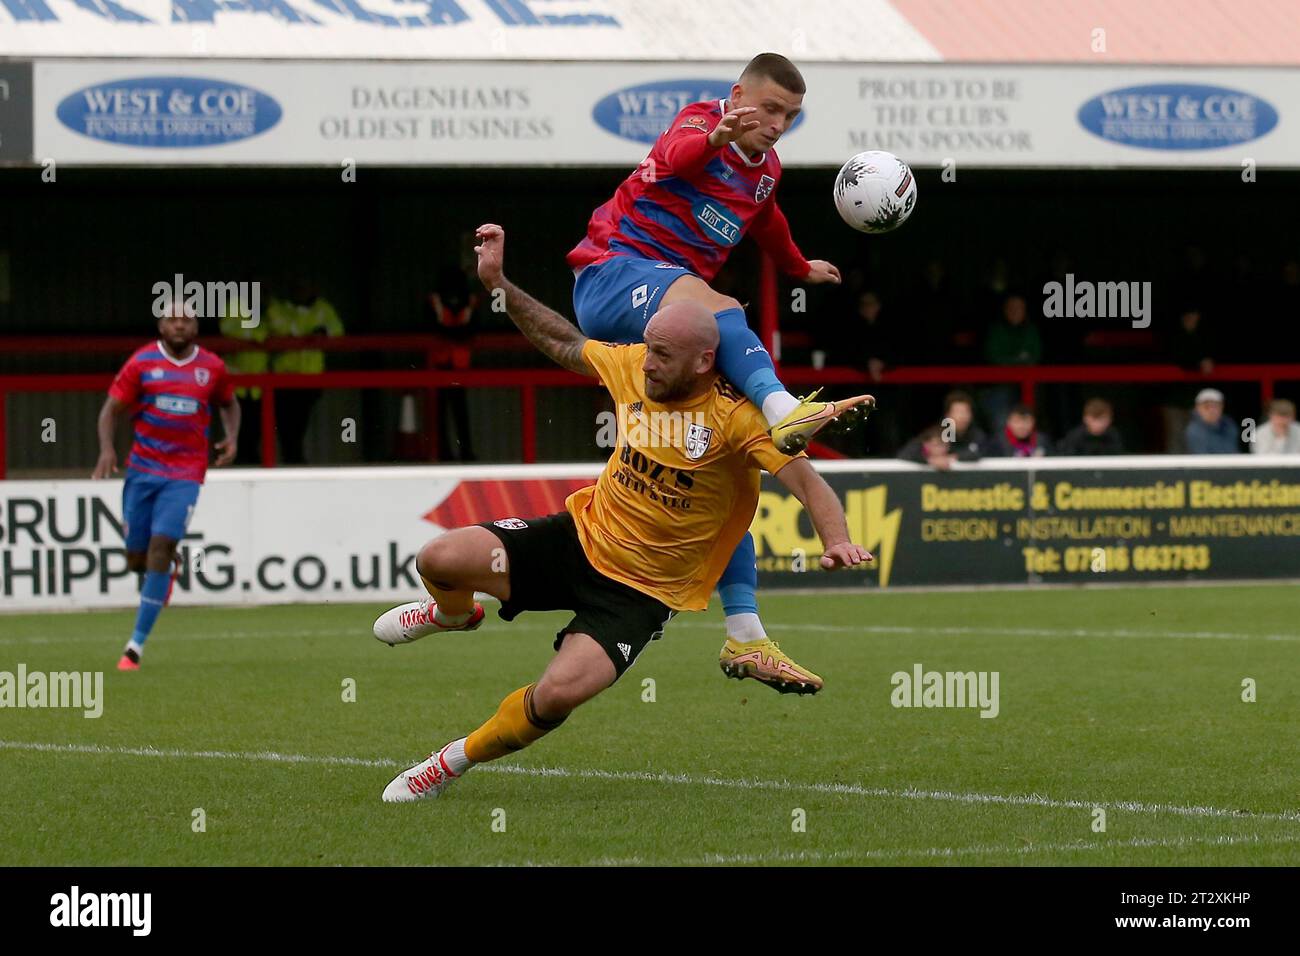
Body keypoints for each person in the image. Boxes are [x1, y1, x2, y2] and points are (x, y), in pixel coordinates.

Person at [371, 224, 873, 802]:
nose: (649, 363)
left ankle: (449, 762)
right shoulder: (634, 364)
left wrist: (836, 540)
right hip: (578, 538)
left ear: (707, 360)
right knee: (438, 557)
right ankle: (454, 615)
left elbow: (812, 486)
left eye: (663, 354)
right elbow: (561, 340)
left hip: (638, 595)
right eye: (648, 347)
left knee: (557, 694)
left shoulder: (740, 421)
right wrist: (499, 285)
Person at [566, 52, 874, 690]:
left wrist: (797, 269)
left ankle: (745, 635)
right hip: (611, 273)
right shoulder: (700, 123)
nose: (777, 123)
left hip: (669, 303)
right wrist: (716, 136)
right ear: (739, 97)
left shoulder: (766, 172)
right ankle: (784, 406)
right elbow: (677, 155)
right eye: (768, 109)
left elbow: (766, 221)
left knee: (729, 462)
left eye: (789, 115)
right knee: (723, 309)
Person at [92, 303, 239, 669]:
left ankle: (134, 648)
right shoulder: (142, 363)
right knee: (135, 558)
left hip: (185, 473)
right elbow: (110, 410)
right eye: (172, 320)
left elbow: (230, 403)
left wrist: (232, 437)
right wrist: (107, 449)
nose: (179, 325)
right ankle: (165, 568)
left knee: (160, 547)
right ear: (160, 326)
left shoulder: (212, 367)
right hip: (142, 470)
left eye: (186, 320)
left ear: (196, 327)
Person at [265, 278, 344, 464]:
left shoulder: (323, 309)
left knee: (299, 424)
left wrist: (323, 332)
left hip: (310, 378)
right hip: (284, 377)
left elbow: (338, 330)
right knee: (285, 425)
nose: (299, 292)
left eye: (303, 288)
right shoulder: (280, 309)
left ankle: (295, 460)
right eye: (296, 288)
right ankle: (293, 460)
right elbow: (270, 330)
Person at [1056, 397, 1124, 456]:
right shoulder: (1075, 437)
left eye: (1102, 419)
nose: (1098, 424)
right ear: (1085, 419)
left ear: (1110, 420)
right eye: (1094, 419)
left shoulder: (1113, 436)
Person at [1184, 387, 1240, 454]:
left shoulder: (1230, 426)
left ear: (1222, 407)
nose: (1212, 410)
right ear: (1197, 408)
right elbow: (1203, 459)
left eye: (1215, 406)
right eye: (1206, 406)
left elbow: (1233, 451)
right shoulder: (1193, 430)